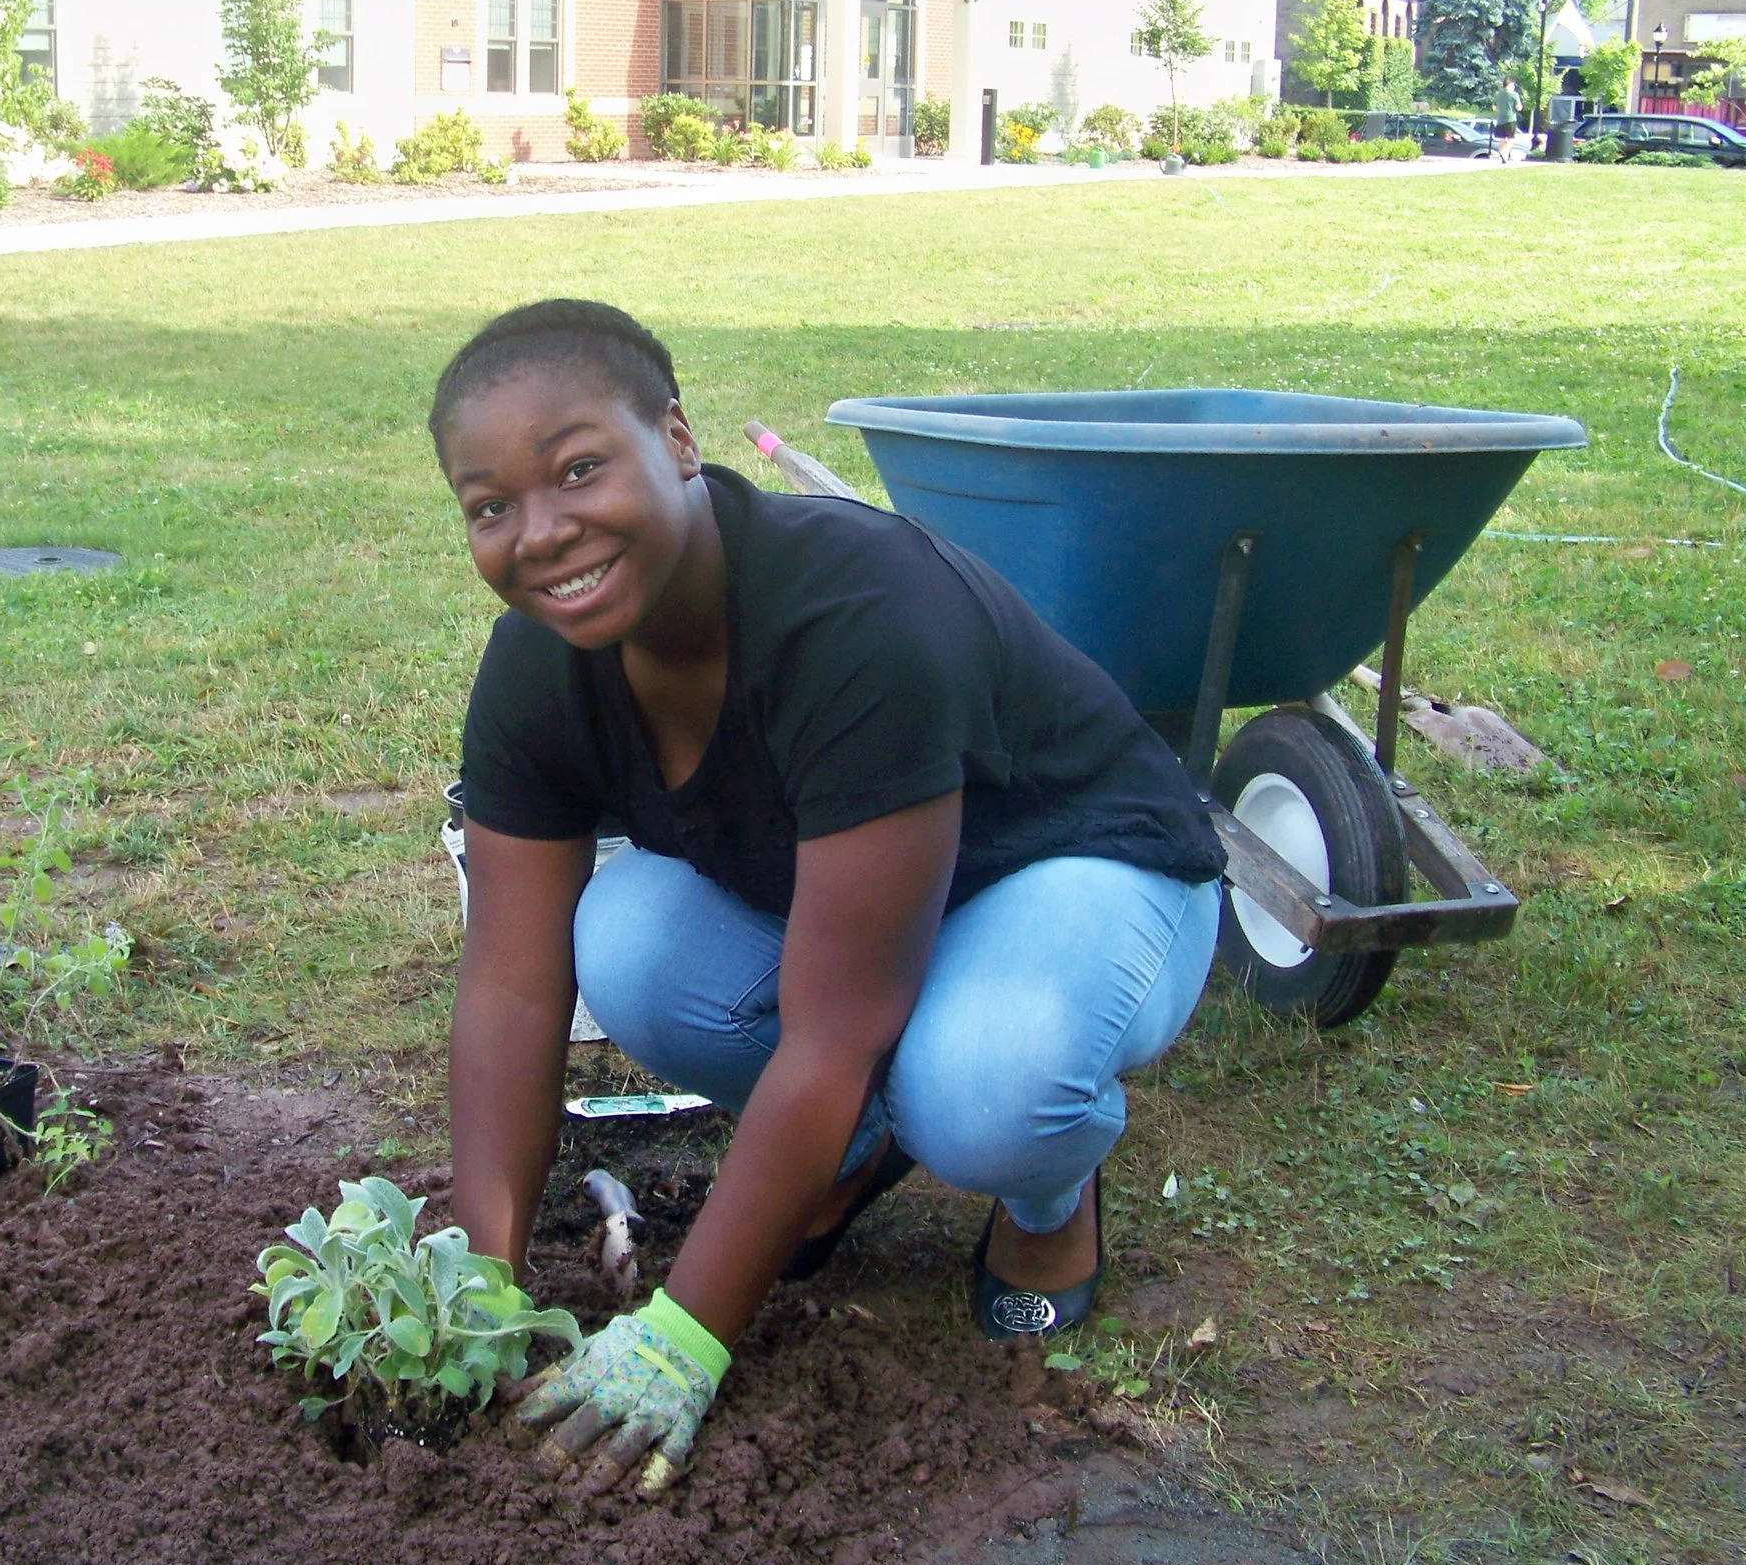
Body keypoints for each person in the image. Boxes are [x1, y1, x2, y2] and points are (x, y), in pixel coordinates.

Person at [434, 300, 1226, 1498]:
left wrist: (683, 1337)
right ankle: (848, 1151)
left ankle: (1049, 1192)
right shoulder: (540, 668)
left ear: (681, 441)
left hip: (1074, 871)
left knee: (982, 1085)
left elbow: (835, 1028)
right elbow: (506, 989)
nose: (539, 534)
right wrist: (481, 1285)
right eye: (490, 507)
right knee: (627, 941)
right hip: (858, 907)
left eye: (579, 469)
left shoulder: (855, 619)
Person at [1493, 78, 1522, 162]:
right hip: (1510, 119)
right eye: (1513, 85)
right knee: (1511, 138)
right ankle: (1506, 153)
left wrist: (1501, 110)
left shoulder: (1498, 95)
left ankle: (1501, 152)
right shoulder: (1514, 95)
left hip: (1500, 119)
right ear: (1509, 85)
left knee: (1502, 138)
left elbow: (1494, 107)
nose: (1514, 87)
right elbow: (1519, 108)